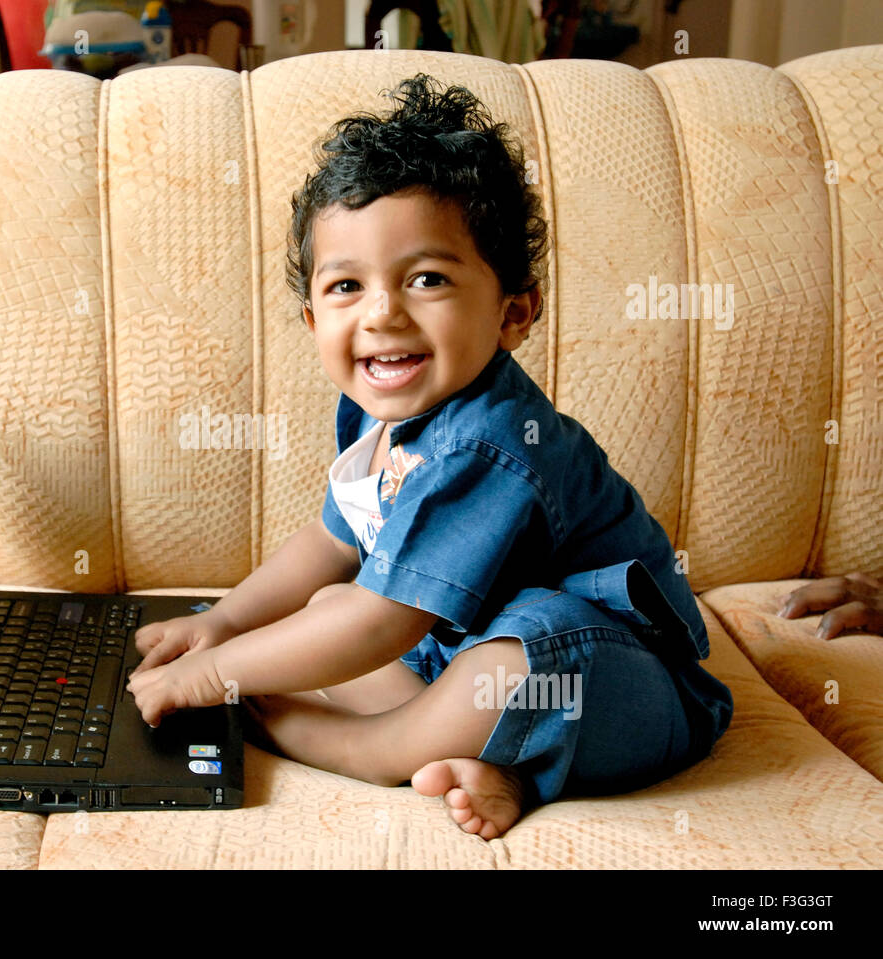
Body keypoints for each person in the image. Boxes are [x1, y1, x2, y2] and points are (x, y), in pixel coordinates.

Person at [125, 74, 733, 839]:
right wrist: (222, 623)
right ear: (313, 319)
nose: (382, 312)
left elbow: (385, 621)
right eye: (347, 285)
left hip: (624, 686)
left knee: (515, 658)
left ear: (513, 312)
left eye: (427, 279)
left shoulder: (488, 441)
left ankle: (370, 747)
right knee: (326, 606)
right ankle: (489, 763)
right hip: (459, 657)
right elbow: (333, 541)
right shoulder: (380, 412)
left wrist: (215, 674)